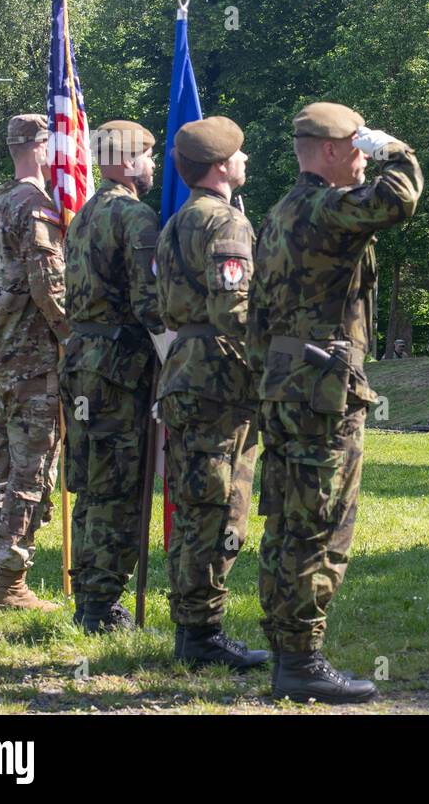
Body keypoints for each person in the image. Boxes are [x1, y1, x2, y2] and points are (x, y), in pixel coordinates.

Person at [248, 101, 423, 703]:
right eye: (356, 145)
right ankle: (300, 660)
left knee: (288, 521)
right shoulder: (325, 207)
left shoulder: (279, 213)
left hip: (285, 380)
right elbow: (399, 200)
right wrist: (394, 149)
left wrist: (266, 377)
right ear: (328, 150)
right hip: (321, 387)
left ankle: (286, 649)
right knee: (319, 524)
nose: (364, 156)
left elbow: (257, 315)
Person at [156, 116, 268, 670]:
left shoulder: (177, 221)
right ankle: (202, 632)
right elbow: (234, 309)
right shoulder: (225, 223)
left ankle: (191, 627)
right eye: (241, 154)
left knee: (193, 500)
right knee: (220, 507)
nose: (246, 162)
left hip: (185, 366)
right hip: (219, 375)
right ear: (222, 165)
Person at [62, 120, 165, 633]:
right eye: (148, 156)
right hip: (119, 368)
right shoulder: (134, 217)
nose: (152, 166)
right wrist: (174, 357)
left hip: (83, 360)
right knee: (118, 486)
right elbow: (151, 305)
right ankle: (100, 607)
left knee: (92, 481)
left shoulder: (82, 215)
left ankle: (89, 597)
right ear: (127, 161)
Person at [0, 114, 68, 611]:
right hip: (33, 365)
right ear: (42, 148)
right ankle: (10, 579)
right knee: (32, 473)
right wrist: (75, 340)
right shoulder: (35, 209)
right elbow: (50, 289)